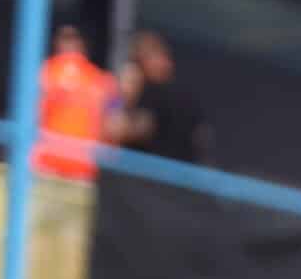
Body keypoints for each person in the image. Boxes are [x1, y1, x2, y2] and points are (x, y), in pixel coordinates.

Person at [32, 25, 119, 183]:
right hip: (51, 164)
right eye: (65, 38)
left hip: (77, 168)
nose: (68, 44)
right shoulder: (47, 71)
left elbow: (111, 127)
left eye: (72, 38)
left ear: (82, 44)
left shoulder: (102, 81)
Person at [112, 31, 209, 164]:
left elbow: (133, 128)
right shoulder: (181, 93)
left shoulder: (156, 92)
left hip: (153, 174)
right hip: (175, 174)